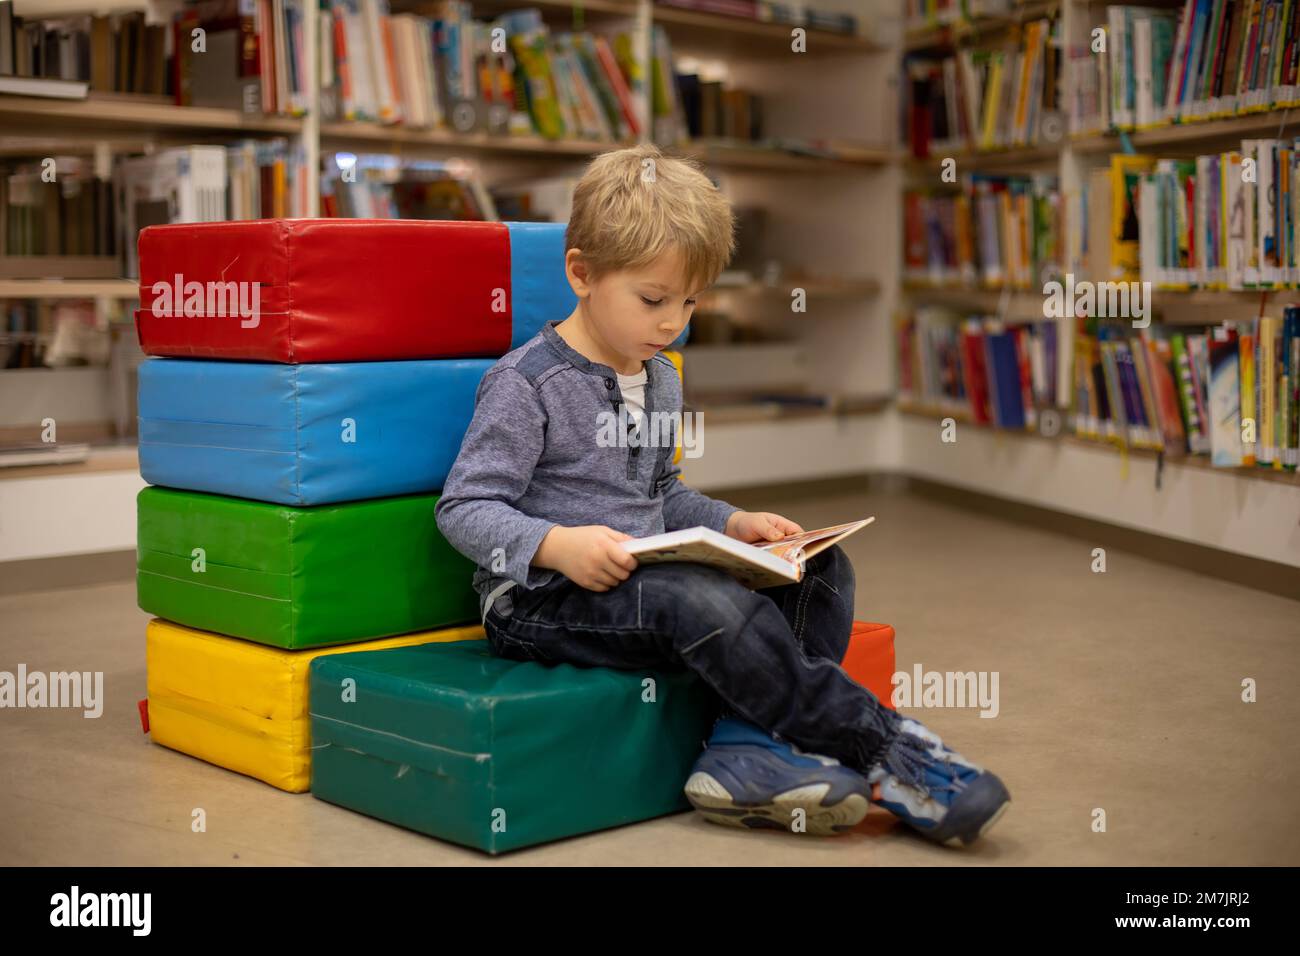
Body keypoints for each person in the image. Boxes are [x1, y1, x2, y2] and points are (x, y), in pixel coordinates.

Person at [435, 144, 1010, 845]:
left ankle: (749, 750)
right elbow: (463, 508)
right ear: (581, 273)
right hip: (540, 601)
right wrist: (558, 546)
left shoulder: (661, 375)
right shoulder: (527, 383)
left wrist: (735, 524)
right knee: (703, 602)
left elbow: (662, 495)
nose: (673, 321)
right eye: (653, 299)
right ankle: (890, 751)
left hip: (646, 580)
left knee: (819, 570)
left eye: (689, 302)